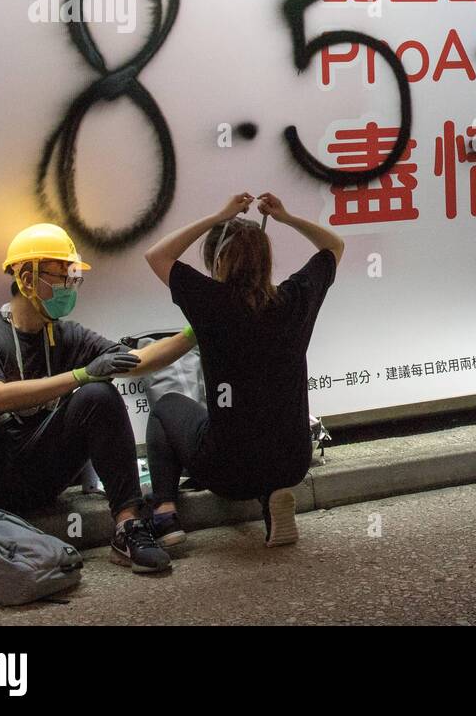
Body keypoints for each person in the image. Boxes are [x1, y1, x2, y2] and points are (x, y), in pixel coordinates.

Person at [0, 223, 194, 622]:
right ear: (27, 277)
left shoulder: (68, 335)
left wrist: (199, 327)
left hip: (42, 473)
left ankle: (128, 528)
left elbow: (139, 362)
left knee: (100, 396)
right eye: (65, 276)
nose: (71, 287)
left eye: (75, 278)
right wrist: (80, 375)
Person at [143, 191, 343, 550]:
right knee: (264, 431)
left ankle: (165, 513)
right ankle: (272, 501)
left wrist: (218, 216)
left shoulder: (210, 302)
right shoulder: (295, 298)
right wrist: (286, 217)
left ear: (217, 264)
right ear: (267, 260)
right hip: (293, 460)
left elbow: (157, 255)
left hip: (227, 470)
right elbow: (334, 246)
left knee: (165, 408)